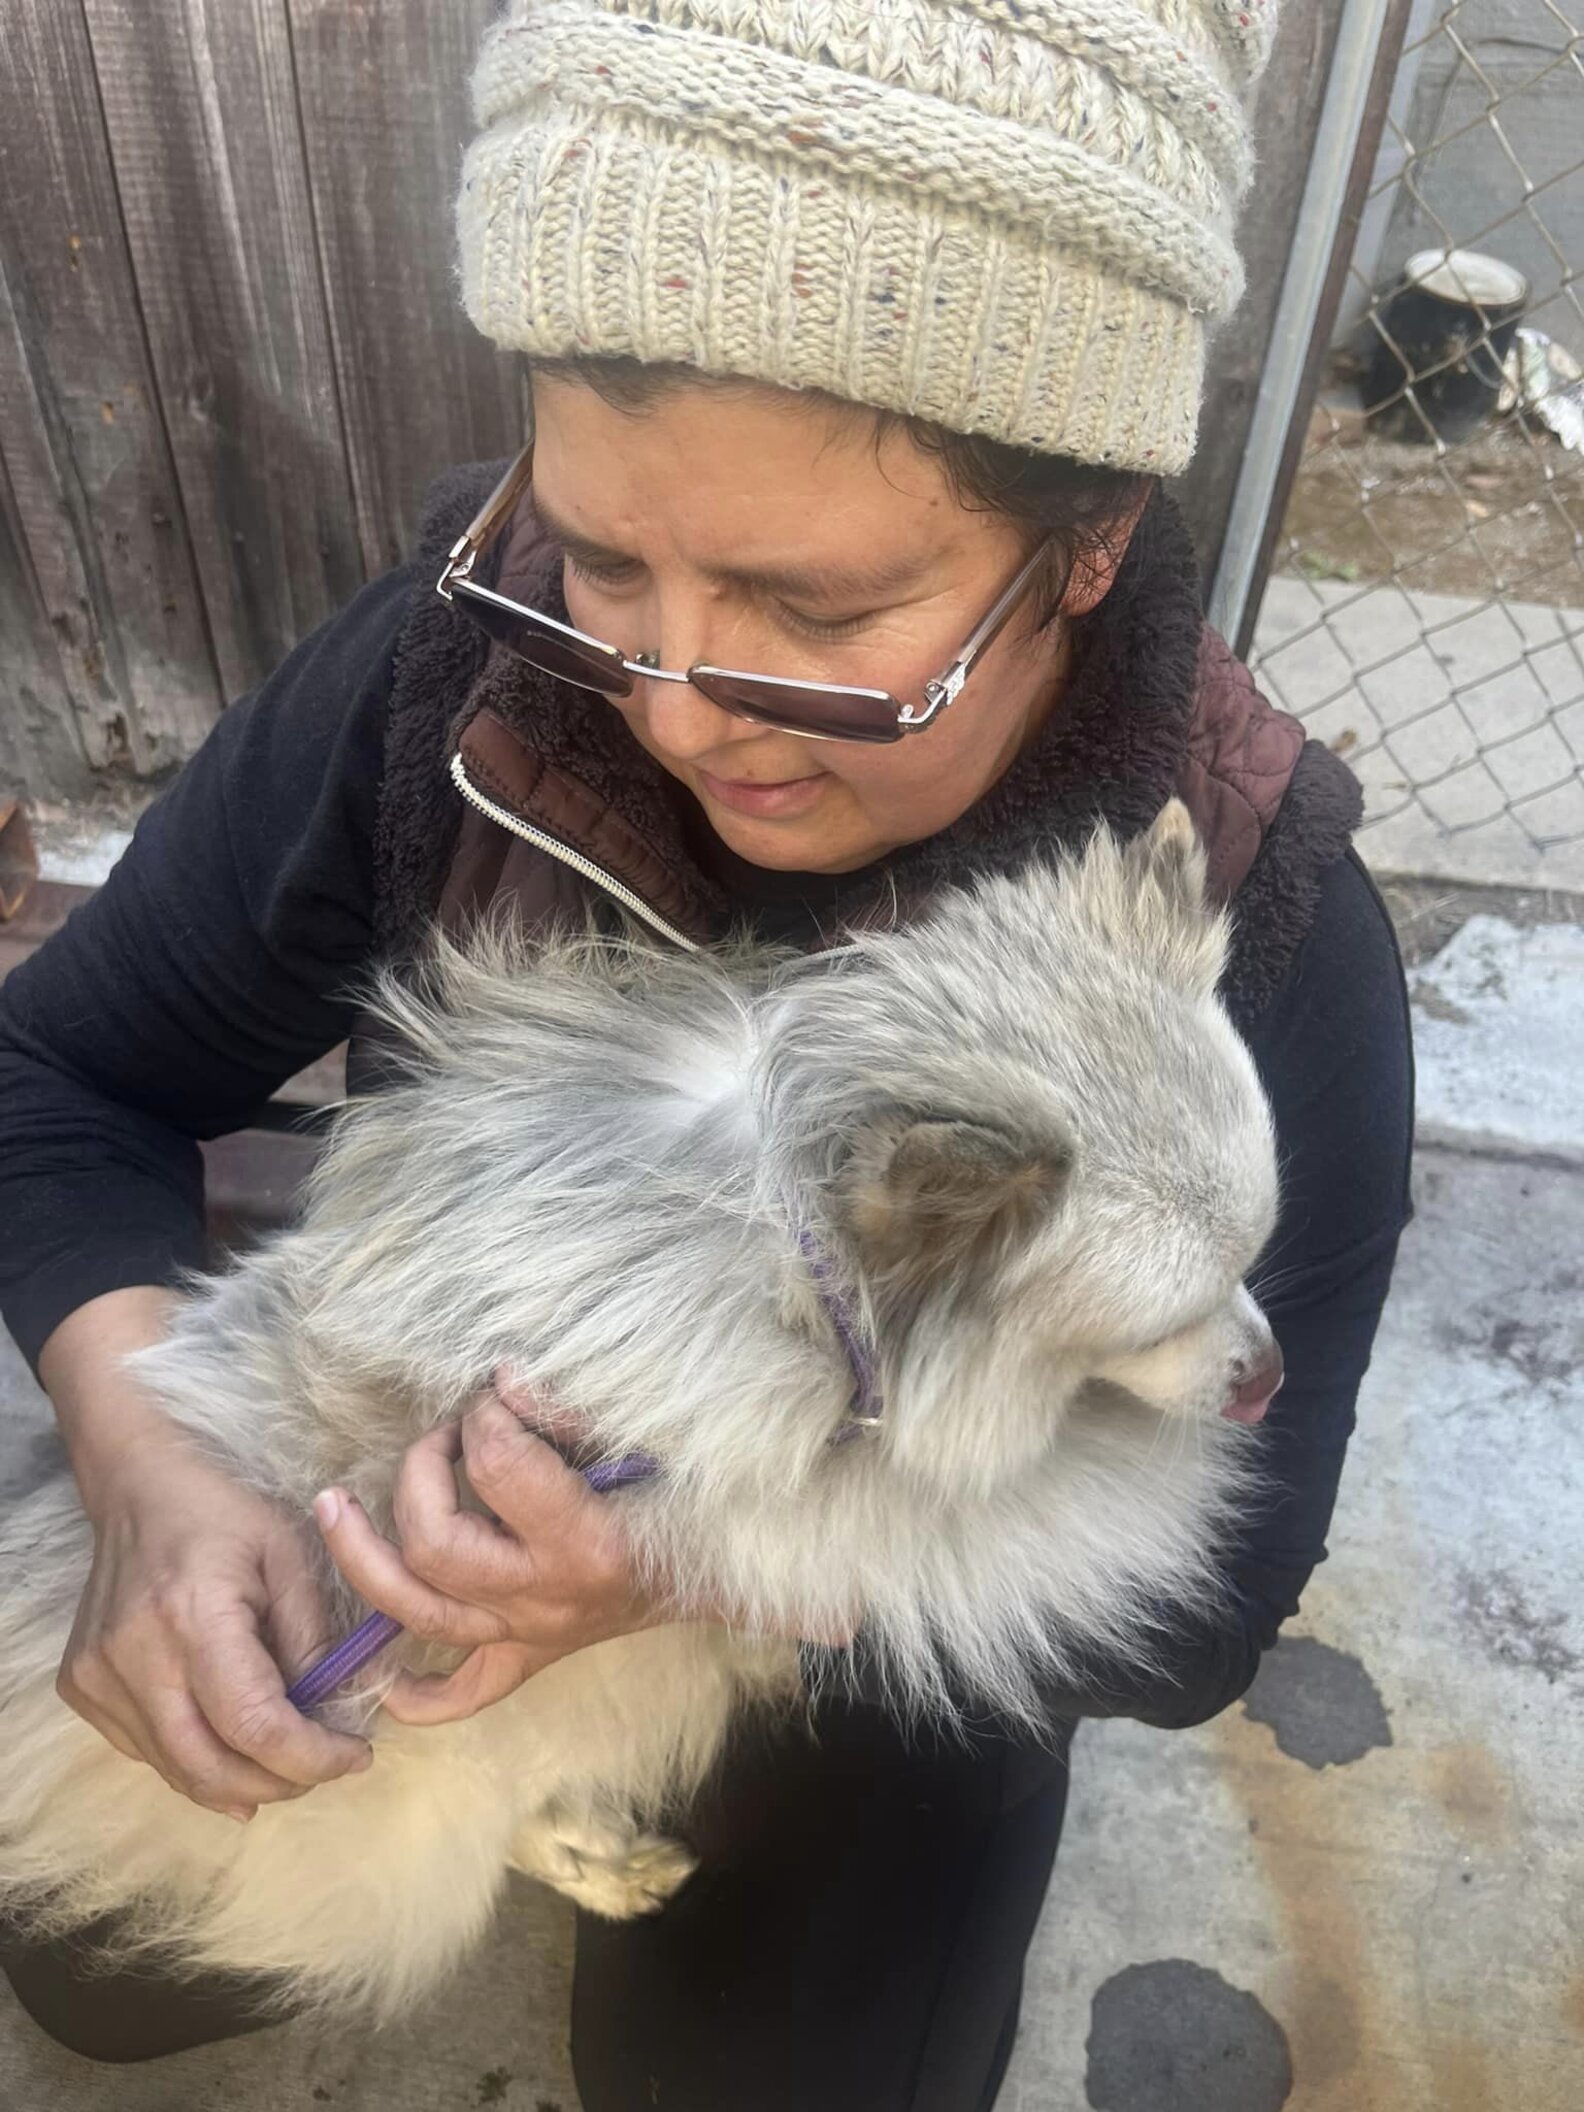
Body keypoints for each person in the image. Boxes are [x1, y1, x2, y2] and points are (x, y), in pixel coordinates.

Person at [0, 1, 1413, 2102]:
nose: (669, 706)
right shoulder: (459, 666)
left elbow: (1211, 1613)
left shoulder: (1260, 916)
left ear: (1090, 539)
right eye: (605, 558)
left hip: (872, 1688)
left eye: (816, 617)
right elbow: (56, 1084)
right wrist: (151, 1467)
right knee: (105, 1960)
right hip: (392, 1538)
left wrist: (688, 1579)